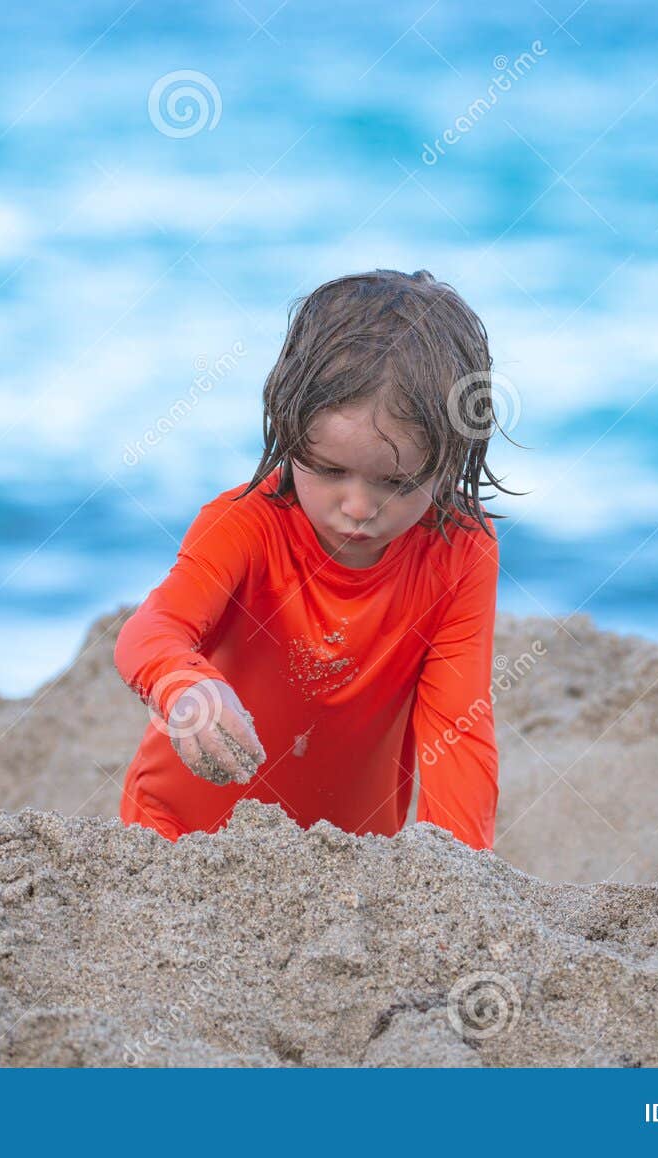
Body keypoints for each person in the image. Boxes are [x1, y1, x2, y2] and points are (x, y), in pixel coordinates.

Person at [114, 269, 518, 850]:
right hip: (177, 840)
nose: (357, 507)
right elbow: (151, 632)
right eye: (329, 471)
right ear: (289, 428)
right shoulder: (245, 524)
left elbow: (458, 730)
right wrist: (182, 684)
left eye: (397, 482)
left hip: (349, 864)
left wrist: (459, 874)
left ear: (451, 460)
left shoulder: (458, 551)